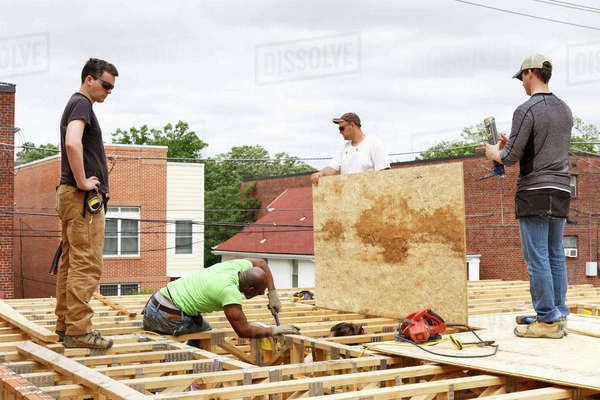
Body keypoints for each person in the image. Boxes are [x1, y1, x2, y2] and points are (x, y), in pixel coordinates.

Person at [485, 54, 572, 339]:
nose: (521, 83)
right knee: (555, 254)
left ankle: (546, 321)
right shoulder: (564, 109)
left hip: (534, 191)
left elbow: (508, 159)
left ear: (531, 73)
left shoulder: (526, 109)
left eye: (522, 77)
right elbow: (540, 149)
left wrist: (493, 152)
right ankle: (557, 313)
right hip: (561, 189)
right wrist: (515, 146)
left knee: (537, 258)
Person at [56, 58, 118, 349]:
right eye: (105, 85)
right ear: (89, 79)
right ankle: (79, 331)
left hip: (70, 196)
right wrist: (83, 181)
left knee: (70, 264)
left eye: (112, 87)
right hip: (81, 198)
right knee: (87, 265)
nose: (108, 91)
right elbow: (72, 142)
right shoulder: (81, 103)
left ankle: (66, 326)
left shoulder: (76, 104)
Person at [143, 258, 300, 339]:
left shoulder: (236, 267)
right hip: (166, 318)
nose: (259, 295)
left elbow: (261, 263)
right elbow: (243, 331)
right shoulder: (229, 292)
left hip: (153, 304)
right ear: (250, 289)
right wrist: (274, 330)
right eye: (259, 293)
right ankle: (194, 371)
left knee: (198, 321)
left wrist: (272, 294)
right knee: (206, 333)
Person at [311, 112, 390, 185]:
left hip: (368, 197)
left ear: (352, 125)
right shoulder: (343, 148)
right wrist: (320, 174)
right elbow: (332, 168)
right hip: (348, 197)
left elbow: (384, 173)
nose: (340, 132)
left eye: (342, 128)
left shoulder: (374, 143)